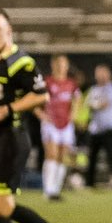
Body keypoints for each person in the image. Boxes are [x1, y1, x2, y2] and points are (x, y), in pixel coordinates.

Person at [0, 9, 75, 223]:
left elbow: (41, 96)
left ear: (9, 31)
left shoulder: (20, 62)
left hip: (12, 139)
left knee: (3, 206)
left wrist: (8, 109)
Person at [37, 54, 80, 201]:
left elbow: (77, 99)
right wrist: (41, 115)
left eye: (64, 63)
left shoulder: (71, 83)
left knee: (63, 157)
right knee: (52, 155)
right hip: (51, 124)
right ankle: (48, 190)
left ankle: (56, 189)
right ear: (53, 65)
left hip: (66, 124)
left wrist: (74, 114)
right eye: (59, 63)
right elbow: (34, 99)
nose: (62, 66)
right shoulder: (47, 82)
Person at [85, 64, 112, 188]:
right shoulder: (94, 89)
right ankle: (89, 183)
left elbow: (104, 104)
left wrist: (94, 104)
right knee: (91, 157)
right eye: (98, 73)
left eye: (103, 73)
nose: (100, 76)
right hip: (95, 130)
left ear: (108, 74)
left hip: (108, 129)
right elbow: (87, 104)